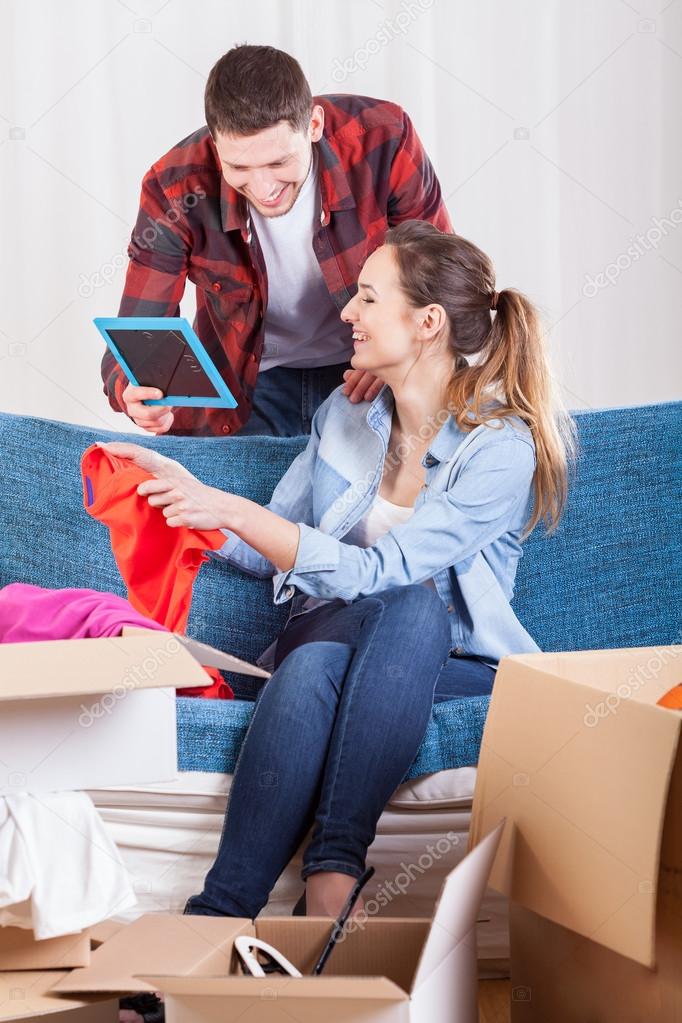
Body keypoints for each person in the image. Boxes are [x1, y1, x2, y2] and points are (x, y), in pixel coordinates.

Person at [101, 219, 574, 922]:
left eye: (369, 298)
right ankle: (315, 889)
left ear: (427, 323)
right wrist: (193, 501)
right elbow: (274, 540)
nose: (347, 311)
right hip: (329, 627)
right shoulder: (346, 414)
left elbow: (383, 569)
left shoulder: (498, 448)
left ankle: (238, 907)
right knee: (345, 638)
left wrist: (231, 507)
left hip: (454, 661)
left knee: (393, 616)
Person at [102, 44, 452, 438]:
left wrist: (396, 355)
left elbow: (441, 281)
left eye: (278, 163)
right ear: (216, 145)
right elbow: (140, 332)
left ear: (313, 125)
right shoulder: (175, 188)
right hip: (246, 385)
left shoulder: (384, 139)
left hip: (366, 369)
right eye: (239, 167)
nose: (263, 188)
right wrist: (134, 391)